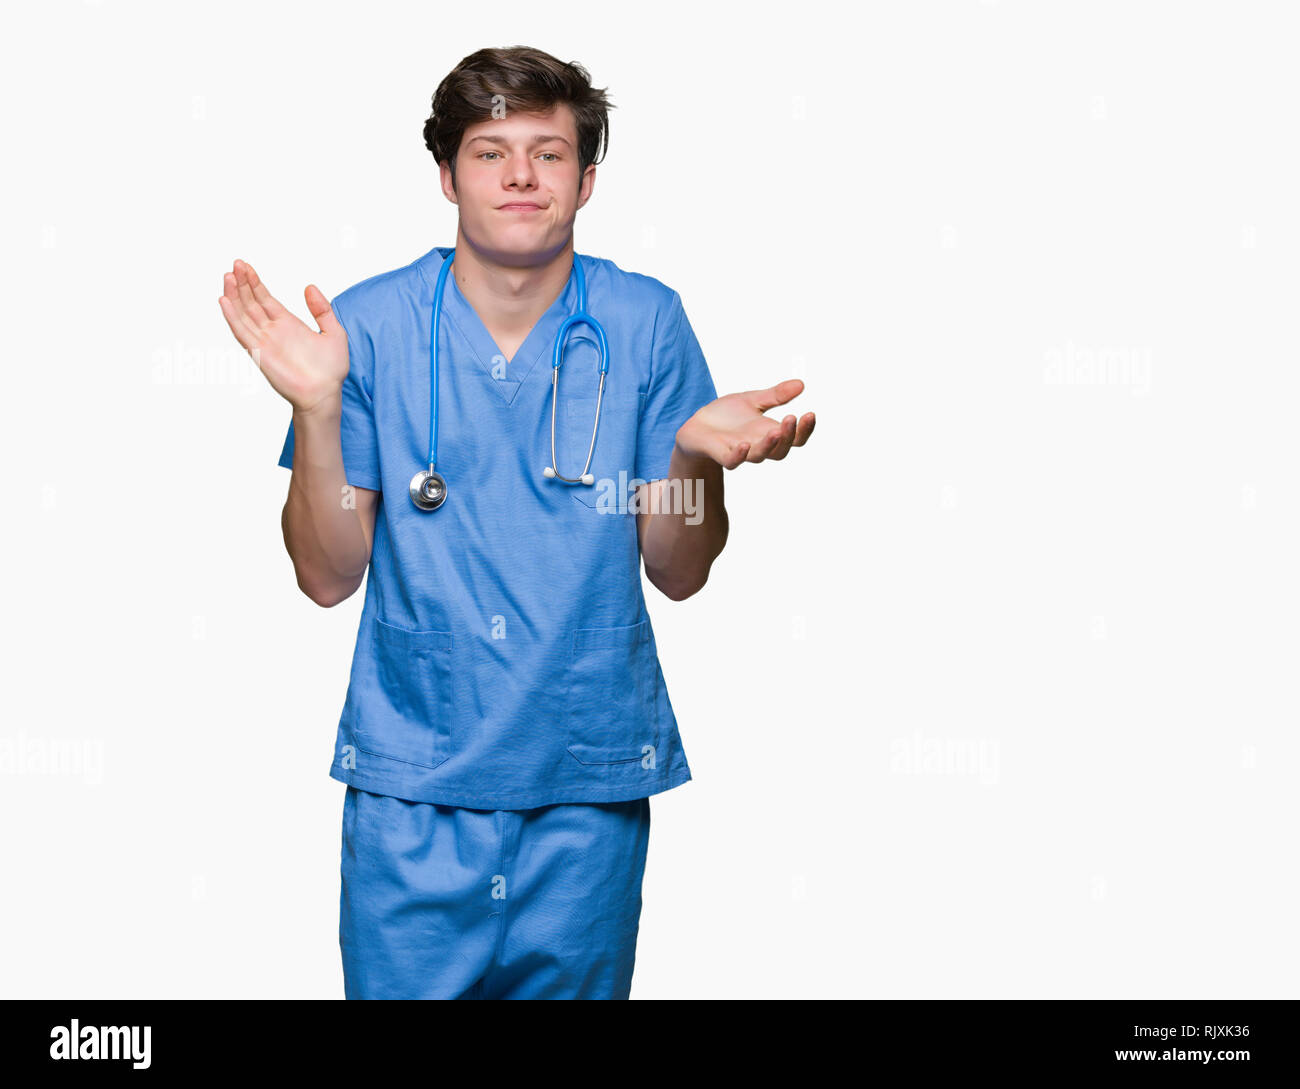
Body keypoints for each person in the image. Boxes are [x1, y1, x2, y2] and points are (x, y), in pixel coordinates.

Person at [217, 45, 814, 999]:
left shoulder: (646, 321)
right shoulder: (365, 329)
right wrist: (318, 410)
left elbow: (678, 565)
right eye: (491, 152)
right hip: (416, 783)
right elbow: (328, 575)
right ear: (447, 174)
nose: (523, 176)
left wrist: (693, 461)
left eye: (550, 151)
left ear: (586, 178)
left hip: (584, 782)